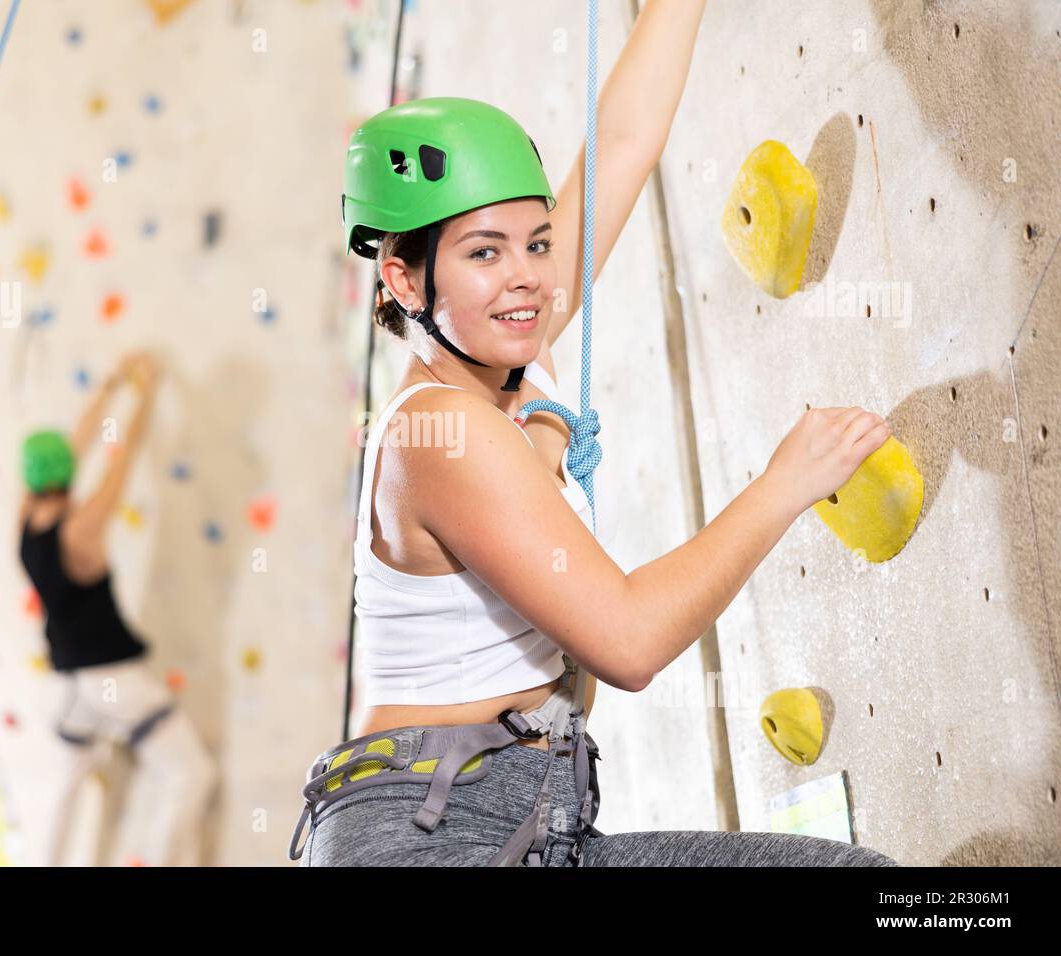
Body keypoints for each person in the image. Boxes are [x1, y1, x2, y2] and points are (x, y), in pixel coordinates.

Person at [294, 0, 898, 866]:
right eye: (483, 252)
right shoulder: (437, 435)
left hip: (523, 817)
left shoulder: (504, 355)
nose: (527, 278)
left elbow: (619, 143)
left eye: (538, 243)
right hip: (436, 836)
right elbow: (627, 642)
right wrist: (783, 486)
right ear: (404, 277)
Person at [18, 352, 218, 866]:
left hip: (68, 686)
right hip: (115, 680)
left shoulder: (26, 517)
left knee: (63, 790)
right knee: (190, 774)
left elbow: (75, 449)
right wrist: (144, 392)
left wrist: (109, 387)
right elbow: (120, 456)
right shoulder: (80, 531)